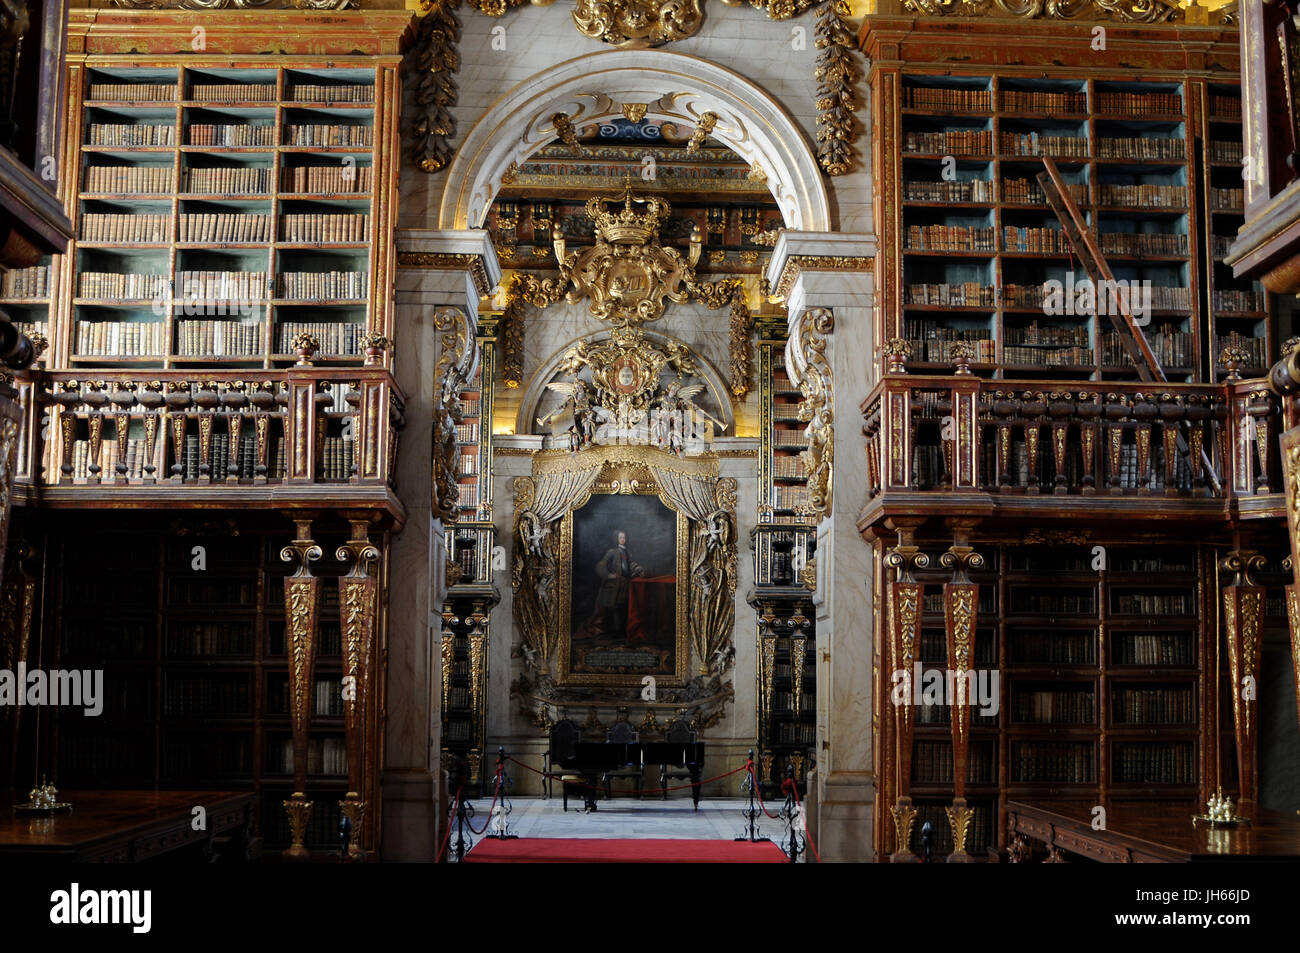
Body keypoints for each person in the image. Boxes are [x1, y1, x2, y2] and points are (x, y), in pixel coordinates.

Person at [592, 529, 643, 639]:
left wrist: (638, 569)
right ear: (617, 539)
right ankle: (614, 632)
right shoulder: (612, 552)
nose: (623, 539)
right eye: (620, 537)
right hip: (614, 586)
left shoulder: (627, 552)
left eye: (624, 537)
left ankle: (621, 632)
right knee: (613, 607)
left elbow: (630, 565)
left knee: (623, 606)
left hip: (625, 584)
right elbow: (600, 565)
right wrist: (608, 575)